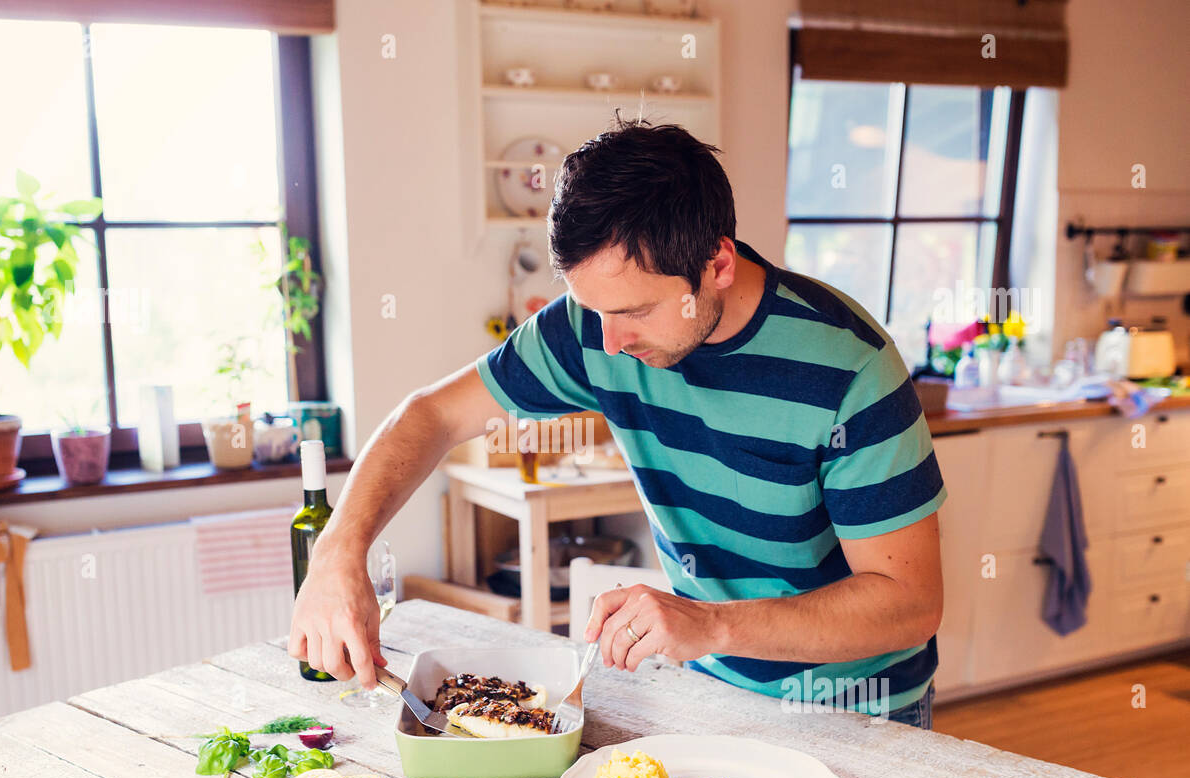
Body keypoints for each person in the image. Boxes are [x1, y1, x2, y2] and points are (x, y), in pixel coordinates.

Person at [288, 119, 947, 728]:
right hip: (710, 695)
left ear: (717, 264)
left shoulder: (852, 368)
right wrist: (338, 551)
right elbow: (428, 416)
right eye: (591, 309)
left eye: (633, 311)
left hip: (862, 715)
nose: (606, 344)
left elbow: (911, 603)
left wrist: (711, 625)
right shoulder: (593, 329)